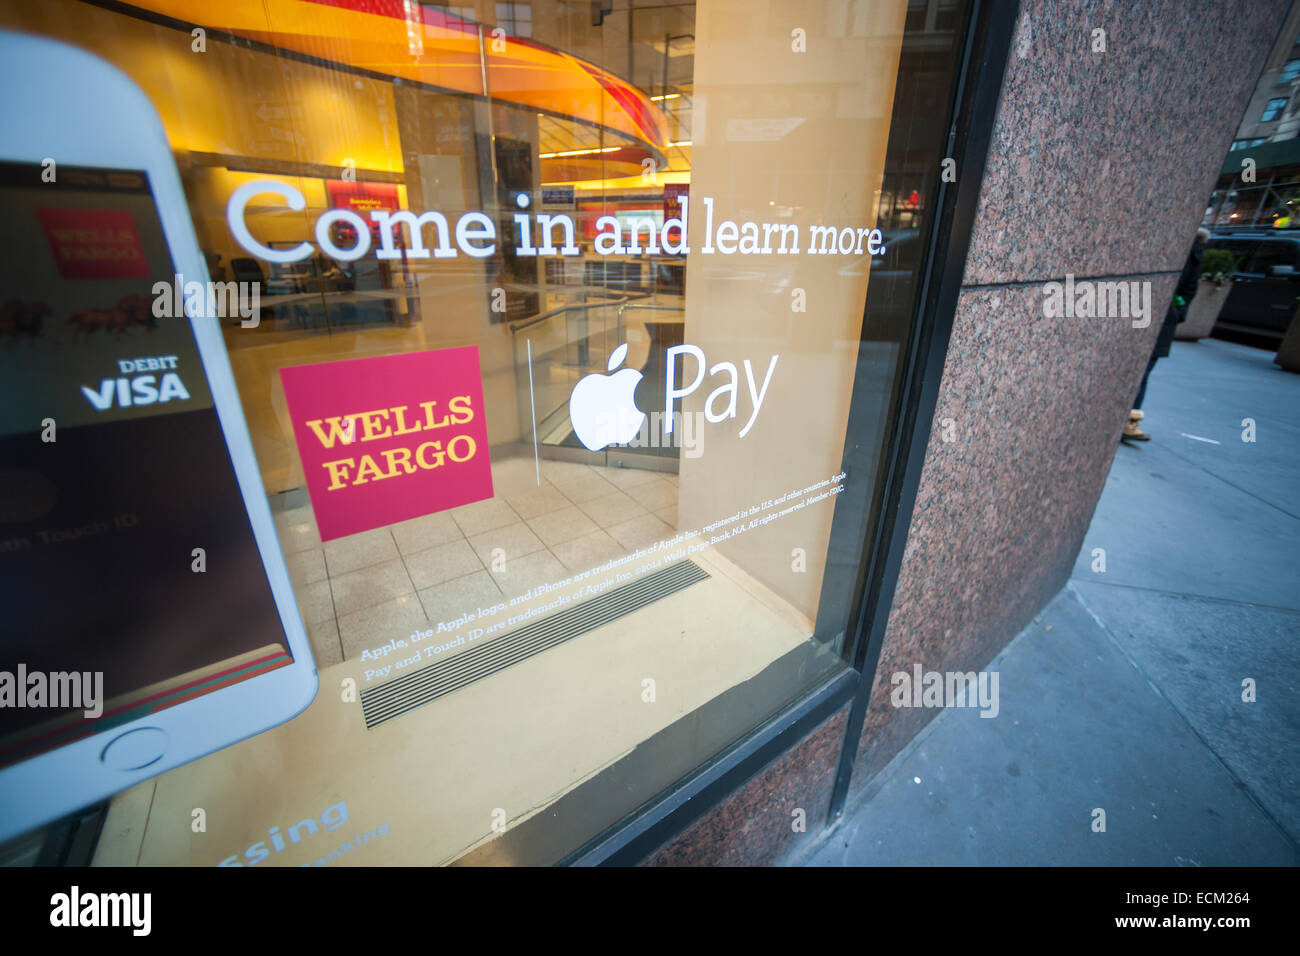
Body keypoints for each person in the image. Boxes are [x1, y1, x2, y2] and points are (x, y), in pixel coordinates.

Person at [1124, 227, 1207, 442]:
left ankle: (1130, 420)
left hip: (1163, 321)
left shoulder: (1194, 253)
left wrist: (1176, 312)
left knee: (1144, 371)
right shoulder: (1161, 242)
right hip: (1135, 316)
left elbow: (1189, 290)